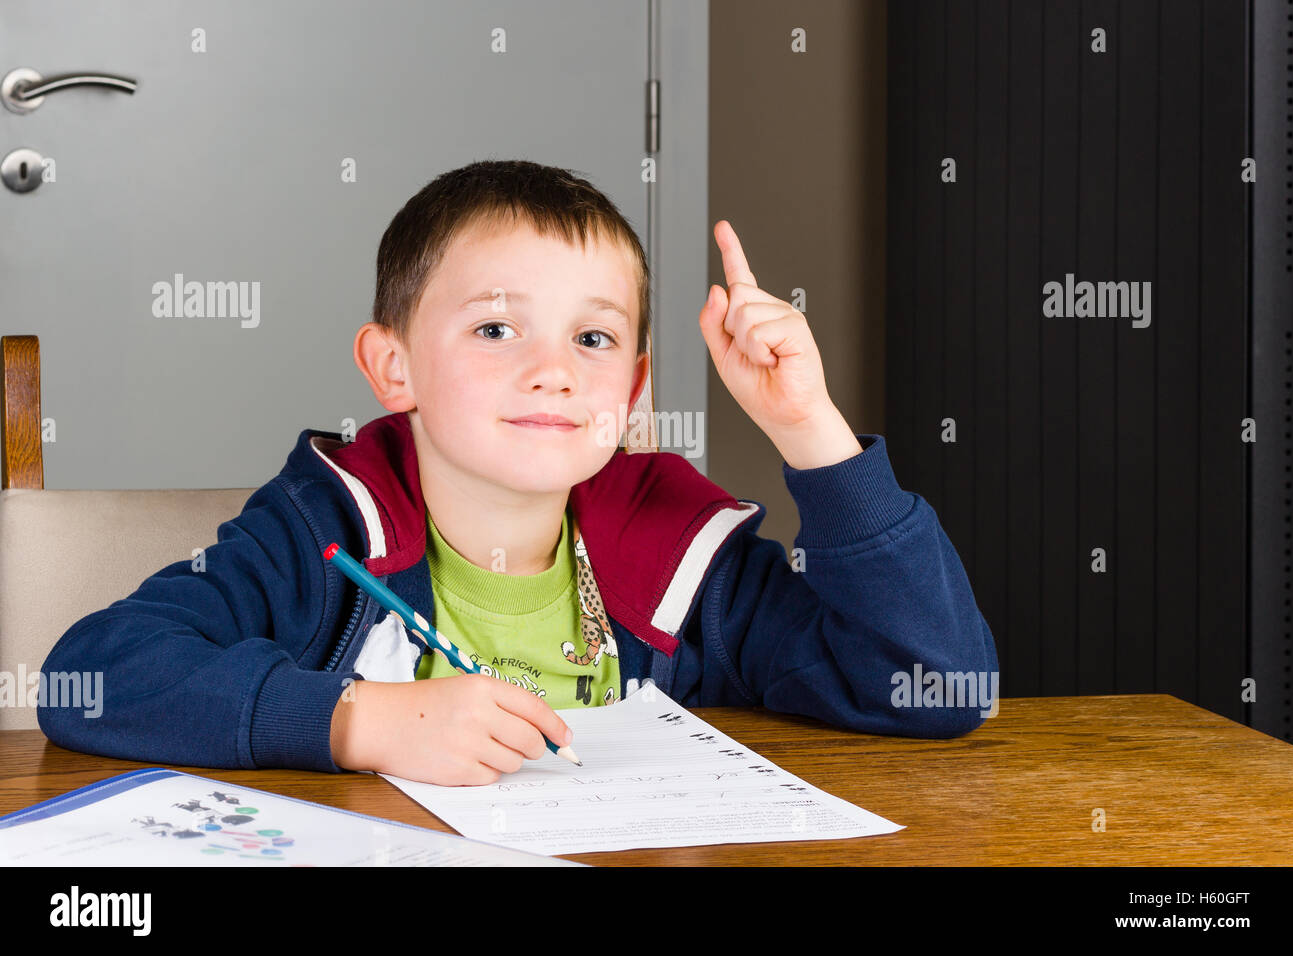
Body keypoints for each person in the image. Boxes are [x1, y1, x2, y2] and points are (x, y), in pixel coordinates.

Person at [38, 159, 998, 786]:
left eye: (594, 337)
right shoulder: (316, 531)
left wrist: (810, 430)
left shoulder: (682, 554)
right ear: (392, 367)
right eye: (496, 328)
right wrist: (355, 721)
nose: (554, 369)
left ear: (632, 388)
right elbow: (93, 674)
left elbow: (936, 683)